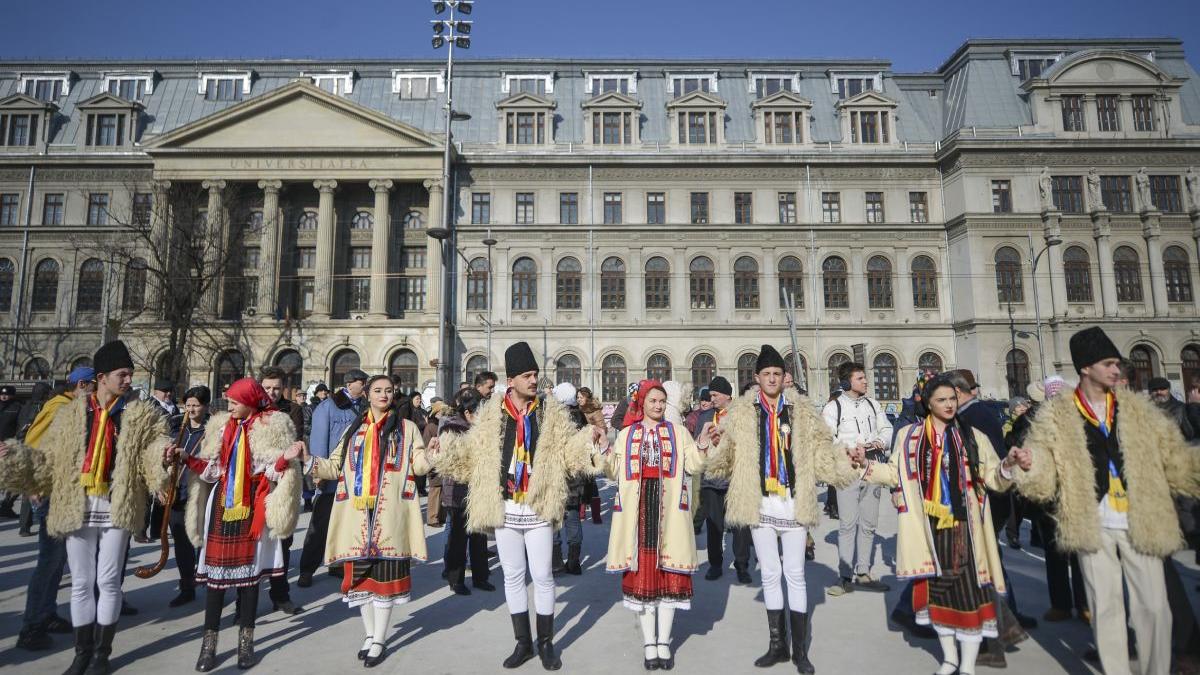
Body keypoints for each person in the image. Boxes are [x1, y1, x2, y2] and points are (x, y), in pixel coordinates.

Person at [1013, 326, 1200, 675]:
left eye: (1118, 364)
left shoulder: (1138, 410)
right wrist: (1027, 464)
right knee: (1106, 606)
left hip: (1140, 517)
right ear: (1086, 368)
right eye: (1109, 363)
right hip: (1091, 521)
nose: (1117, 371)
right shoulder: (1058, 414)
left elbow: (1175, 457)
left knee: (1154, 607)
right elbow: (1042, 465)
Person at [430, 341, 604, 671]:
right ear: (511, 380)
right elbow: (470, 454)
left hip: (538, 507)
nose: (534, 380)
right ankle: (523, 643)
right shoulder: (492, 415)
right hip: (505, 508)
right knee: (512, 577)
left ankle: (546, 644)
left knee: (542, 577)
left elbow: (568, 452)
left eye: (536, 374)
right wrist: (444, 449)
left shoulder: (549, 413)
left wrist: (589, 440)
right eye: (527, 375)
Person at [0, 340, 169, 675]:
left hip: (116, 503)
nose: (127, 380)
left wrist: (162, 460)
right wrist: (15, 456)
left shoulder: (138, 413)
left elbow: (154, 446)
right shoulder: (72, 413)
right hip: (76, 502)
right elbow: (47, 458)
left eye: (129, 374)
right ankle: (82, 653)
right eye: (122, 374)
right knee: (80, 581)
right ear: (102, 376)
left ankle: (102, 655)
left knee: (107, 580)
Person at [705, 345, 860, 674]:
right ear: (757, 378)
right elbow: (727, 457)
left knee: (795, 573)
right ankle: (777, 644)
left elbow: (821, 446)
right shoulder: (743, 413)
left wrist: (845, 461)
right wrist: (713, 446)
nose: (772, 378)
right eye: (766, 374)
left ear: (784, 377)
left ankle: (800, 651)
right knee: (770, 573)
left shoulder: (801, 411)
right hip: (759, 502)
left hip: (792, 500)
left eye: (777, 373)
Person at [863, 374, 1032, 675]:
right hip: (928, 528)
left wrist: (1008, 465)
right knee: (936, 596)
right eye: (941, 400)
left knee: (968, 596)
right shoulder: (909, 437)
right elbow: (894, 474)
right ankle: (949, 658)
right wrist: (863, 465)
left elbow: (993, 476)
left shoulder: (971, 436)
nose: (949, 405)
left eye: (952, 399)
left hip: (965, 528)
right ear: (928, 403)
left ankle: (967, 666)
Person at [301, 375, 430, 668]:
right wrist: (309, 460)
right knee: (361, 583)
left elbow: (419, 464)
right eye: (377, 390)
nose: (383, 395)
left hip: (389, 514)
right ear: (368, 395)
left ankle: (380, 639)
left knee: (384, 582)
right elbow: (334, 466)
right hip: (357, 515)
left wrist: (435, 455)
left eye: (388, 390)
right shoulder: (354, 428)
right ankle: (370, 635)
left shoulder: (407, 428)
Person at [178, 377, 303, 671]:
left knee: (249, 580)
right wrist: (187, 458)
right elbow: (214, 470)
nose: (230, 406)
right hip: (223, 505)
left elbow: (272, 471)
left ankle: (246, 643)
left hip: (252, 505)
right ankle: (208, 646)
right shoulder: (223, 429)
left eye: (235, 402)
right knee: (216, 581)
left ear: (248, 402)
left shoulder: (271, 427)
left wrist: (285, 459)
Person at [602, 380, 706, 670]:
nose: (658, 406)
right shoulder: (626, 434)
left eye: (662, 401)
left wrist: (704, 444)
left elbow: (695, 465)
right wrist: (601, 448)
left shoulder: (679, 432)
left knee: (670, 577)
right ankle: (650, 644)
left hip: (669, 513)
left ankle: (664, 642)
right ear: (642, 403)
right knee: (645, 580)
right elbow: (612, 470)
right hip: (639, 516)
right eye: (653, 401)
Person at [14, 366, 94, 651]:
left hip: (64, 494)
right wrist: (32, 486)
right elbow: (33, 447)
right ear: (82, 385)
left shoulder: (72, 407)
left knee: (58, 560)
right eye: (93, 385)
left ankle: (46, 614)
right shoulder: (59, 408)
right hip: (49, 494)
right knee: (48, 561)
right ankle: (31, 626)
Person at [821, 361, 893, 595]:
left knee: (869, 523)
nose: (865, 381)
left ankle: (863, 572)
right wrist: (847, 449)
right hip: (847, 469)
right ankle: (844, 576)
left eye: (865, 377)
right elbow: (826, 436)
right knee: (848, 524)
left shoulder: (873, 405)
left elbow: (887, 429)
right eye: (860, 378)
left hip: (872, 467)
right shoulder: (834, 407)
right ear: (847, 382)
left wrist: (878, 443)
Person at [298, 369, 368, 587]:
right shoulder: (328, 406)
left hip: (355, 476)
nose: (365, 386)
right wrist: (318, 472)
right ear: (350, 383)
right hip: (331, 476)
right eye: (362, 382)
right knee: (320, 524)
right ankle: (307, 569)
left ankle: (338, 563)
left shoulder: (364, 407)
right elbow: (319, 440)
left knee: (346, 524)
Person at [692, 376, 752, 583]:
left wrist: (726, 437)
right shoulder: (705, 416)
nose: (712, 398)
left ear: (727, 395)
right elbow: (697, 444)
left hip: (735, 477)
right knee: (714, 525)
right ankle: (715, 564)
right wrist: (706, 441)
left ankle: (742, 565)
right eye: (711, 395)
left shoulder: (740, 415)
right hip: (711, 478)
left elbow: (748, 441)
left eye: (716, 395)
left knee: (739, 524)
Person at [258, 367, 306, 615]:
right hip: (257, 484)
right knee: (253, 544)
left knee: (282, 541)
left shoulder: (293, 410)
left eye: (276, 387)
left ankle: (281, 595)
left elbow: (293, 444)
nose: (272, 392)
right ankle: (246, 601)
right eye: (267, 387)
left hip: (284, 482)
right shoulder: (253, 410)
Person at [440, 388, 494, 595]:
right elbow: (452, 462)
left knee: (479, 537)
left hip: (479, 490)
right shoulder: (452, 429)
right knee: (458, 538)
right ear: (468, 413)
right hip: (458, 492)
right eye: (478, 412)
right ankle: (456, 580)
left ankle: (481, 577)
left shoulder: (482, 429)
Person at [550, 382, 589, 576]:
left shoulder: (555, 418)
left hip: (556, 475)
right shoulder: (580, 417)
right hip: (575, 476)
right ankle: (574, 563)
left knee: (556, 518)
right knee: (573, 517)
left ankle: (556, 562)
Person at [1148, 377, 1196, 441]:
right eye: (1154, 389)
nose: (1159, 392)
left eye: (1162, 389)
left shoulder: (1180, 407)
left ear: (1168, 389)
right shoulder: (1146, 408)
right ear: (1149, 392)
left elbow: (1189, 433)